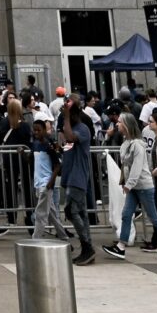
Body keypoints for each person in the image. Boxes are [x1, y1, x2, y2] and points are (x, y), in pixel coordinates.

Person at [109, 111, 157, 259]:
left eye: (120, 122)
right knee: (126, 215)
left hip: (143, 186)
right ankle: (121, 246)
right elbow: (126, 166)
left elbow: (137, 167)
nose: (117, 124)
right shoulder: (126, 143)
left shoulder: (137, 145)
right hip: (133, 186)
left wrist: (129, 183)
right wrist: (125, 182)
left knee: (154, 217)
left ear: (126, 125)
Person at [59, 102, 98, 265]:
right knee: (80, 213)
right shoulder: (72, 129)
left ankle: (87, 246)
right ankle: (87, 247)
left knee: (71, 210)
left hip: (78, 177)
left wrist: (67, 118)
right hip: (71, 178)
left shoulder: (82, 129)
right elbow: (66, 146)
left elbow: (70, 138)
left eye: (68, 116)